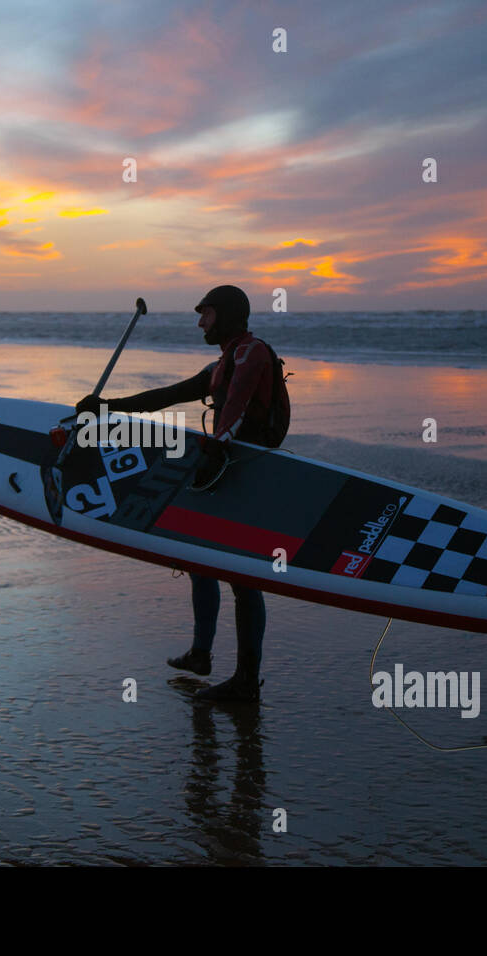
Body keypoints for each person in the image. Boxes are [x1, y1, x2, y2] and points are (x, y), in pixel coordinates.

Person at [75, 285, 288, 703]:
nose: (200, 322)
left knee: (242, 578)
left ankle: (246, 682)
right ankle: (201, 654)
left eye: (205, 314)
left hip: (250, 472)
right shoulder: (223, 362)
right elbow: (168, 396)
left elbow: (238, 405)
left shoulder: (251, 353)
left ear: (225, 314)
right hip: (227, 465)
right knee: (200, 558)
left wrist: (219, 445)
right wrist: (109, 407)